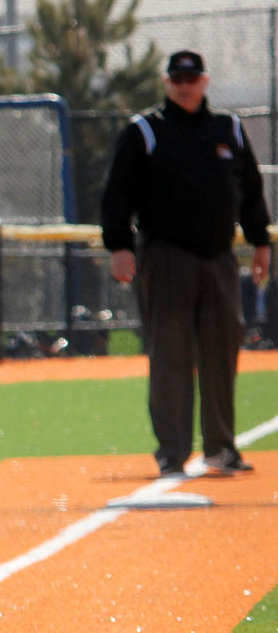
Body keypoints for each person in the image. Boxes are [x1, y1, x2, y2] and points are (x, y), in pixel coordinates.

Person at [101, 48, 272, 478]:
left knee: (221, 353)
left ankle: (220, 447)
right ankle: (172, 452)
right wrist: (119, 245)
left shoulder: (227, 128)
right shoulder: (145, 131)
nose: (184, 84)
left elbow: (250, 189)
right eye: (177, 77)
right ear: (166, 83)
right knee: (171, 356)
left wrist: (260, 241)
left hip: (218, 257)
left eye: (191, 78)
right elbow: (117, 193)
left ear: (204, 81)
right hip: (166, 256)